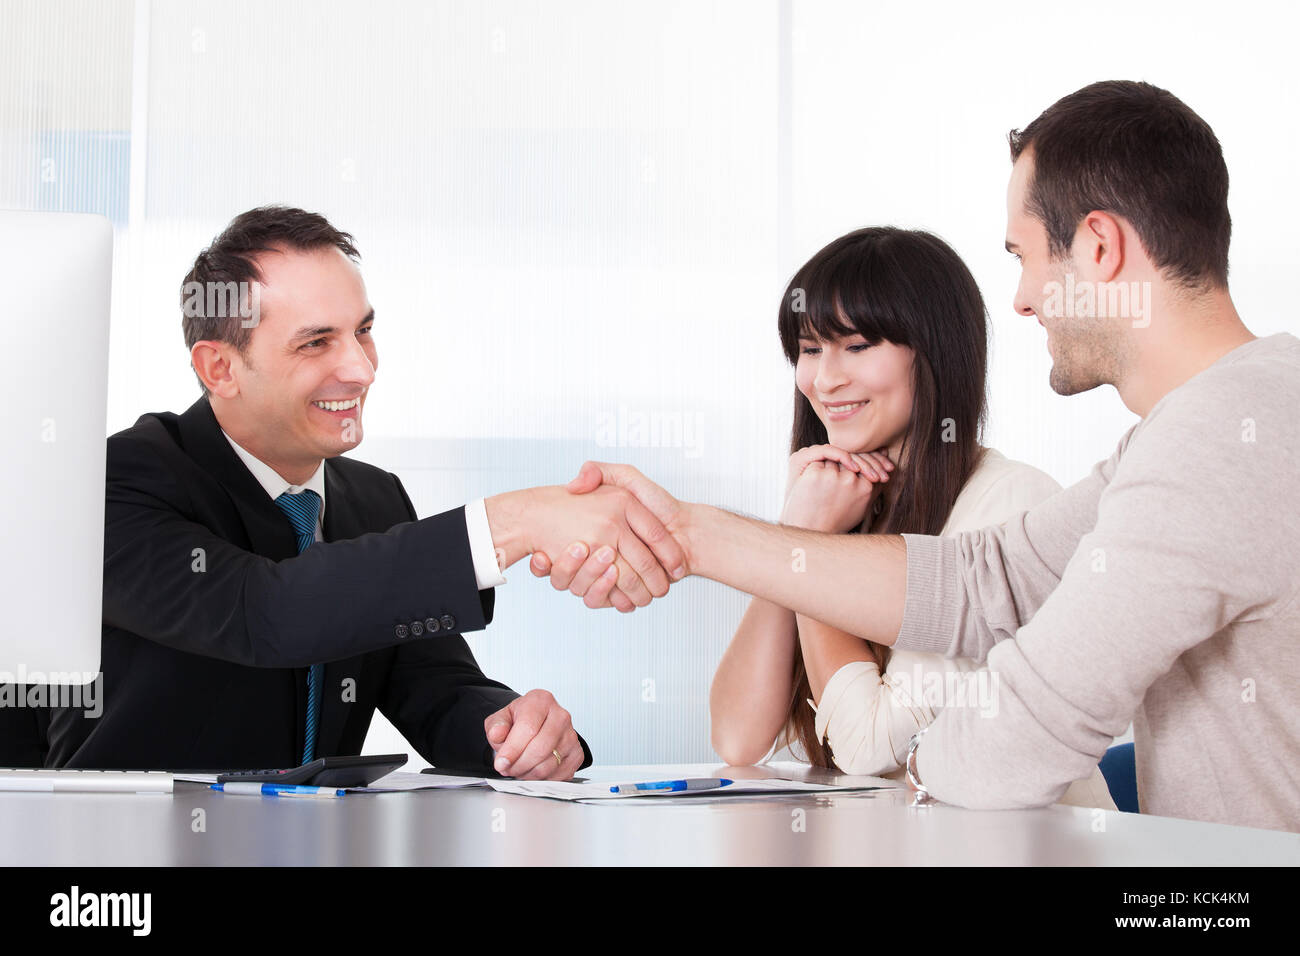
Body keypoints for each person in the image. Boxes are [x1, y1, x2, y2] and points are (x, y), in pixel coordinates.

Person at [537, 81, 1300, 832]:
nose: (1023, 299)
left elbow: (1028, 729)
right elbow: (986, 579)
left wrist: (918, 761)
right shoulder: (1202, 426)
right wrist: (692, 533)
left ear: (1099, 247)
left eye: (1025, 256)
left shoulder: (1227, 435)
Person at [44, 205, 685, 778]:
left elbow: (433, 685)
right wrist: (511, 524)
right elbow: (265, 611)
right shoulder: (116, 482)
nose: (361, 368)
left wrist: (510, 729)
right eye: (317, 341)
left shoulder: (374, 498)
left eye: (363, 330)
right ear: (220, 367)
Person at [707, 227, 1113, 808]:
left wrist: (808, 543)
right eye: (810, 349)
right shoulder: (836, 503)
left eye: (856, 346)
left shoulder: (1011, 506)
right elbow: (738, 740)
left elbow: (869, 745)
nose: (824, 379)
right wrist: (795, 538)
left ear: (934, 351)